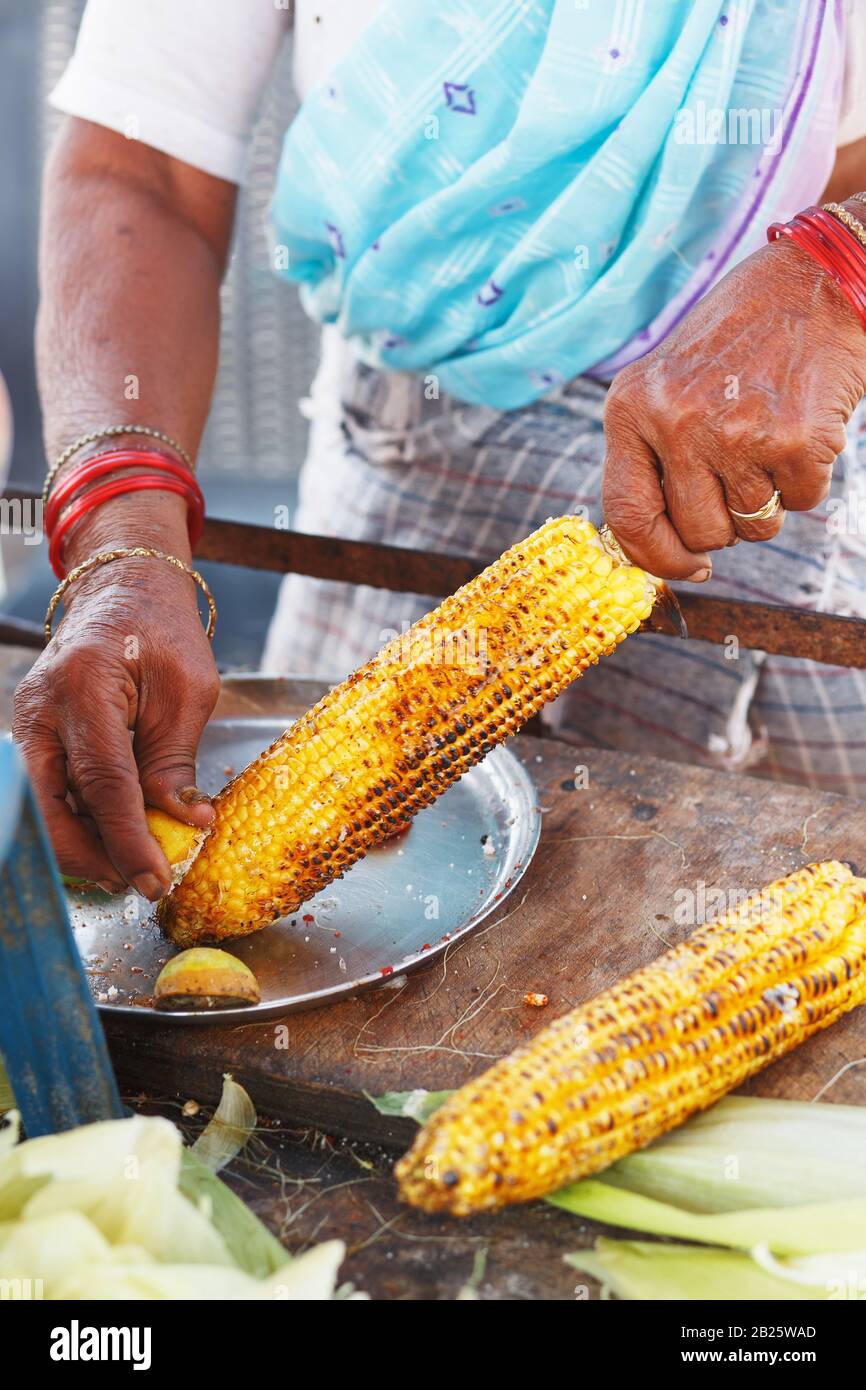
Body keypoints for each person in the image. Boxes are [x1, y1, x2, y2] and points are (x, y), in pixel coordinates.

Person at [14, 0, 866, 901]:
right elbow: (142, 164)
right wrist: (120, 539)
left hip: (793, 449)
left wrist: (839, 267)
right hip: (413, 458)